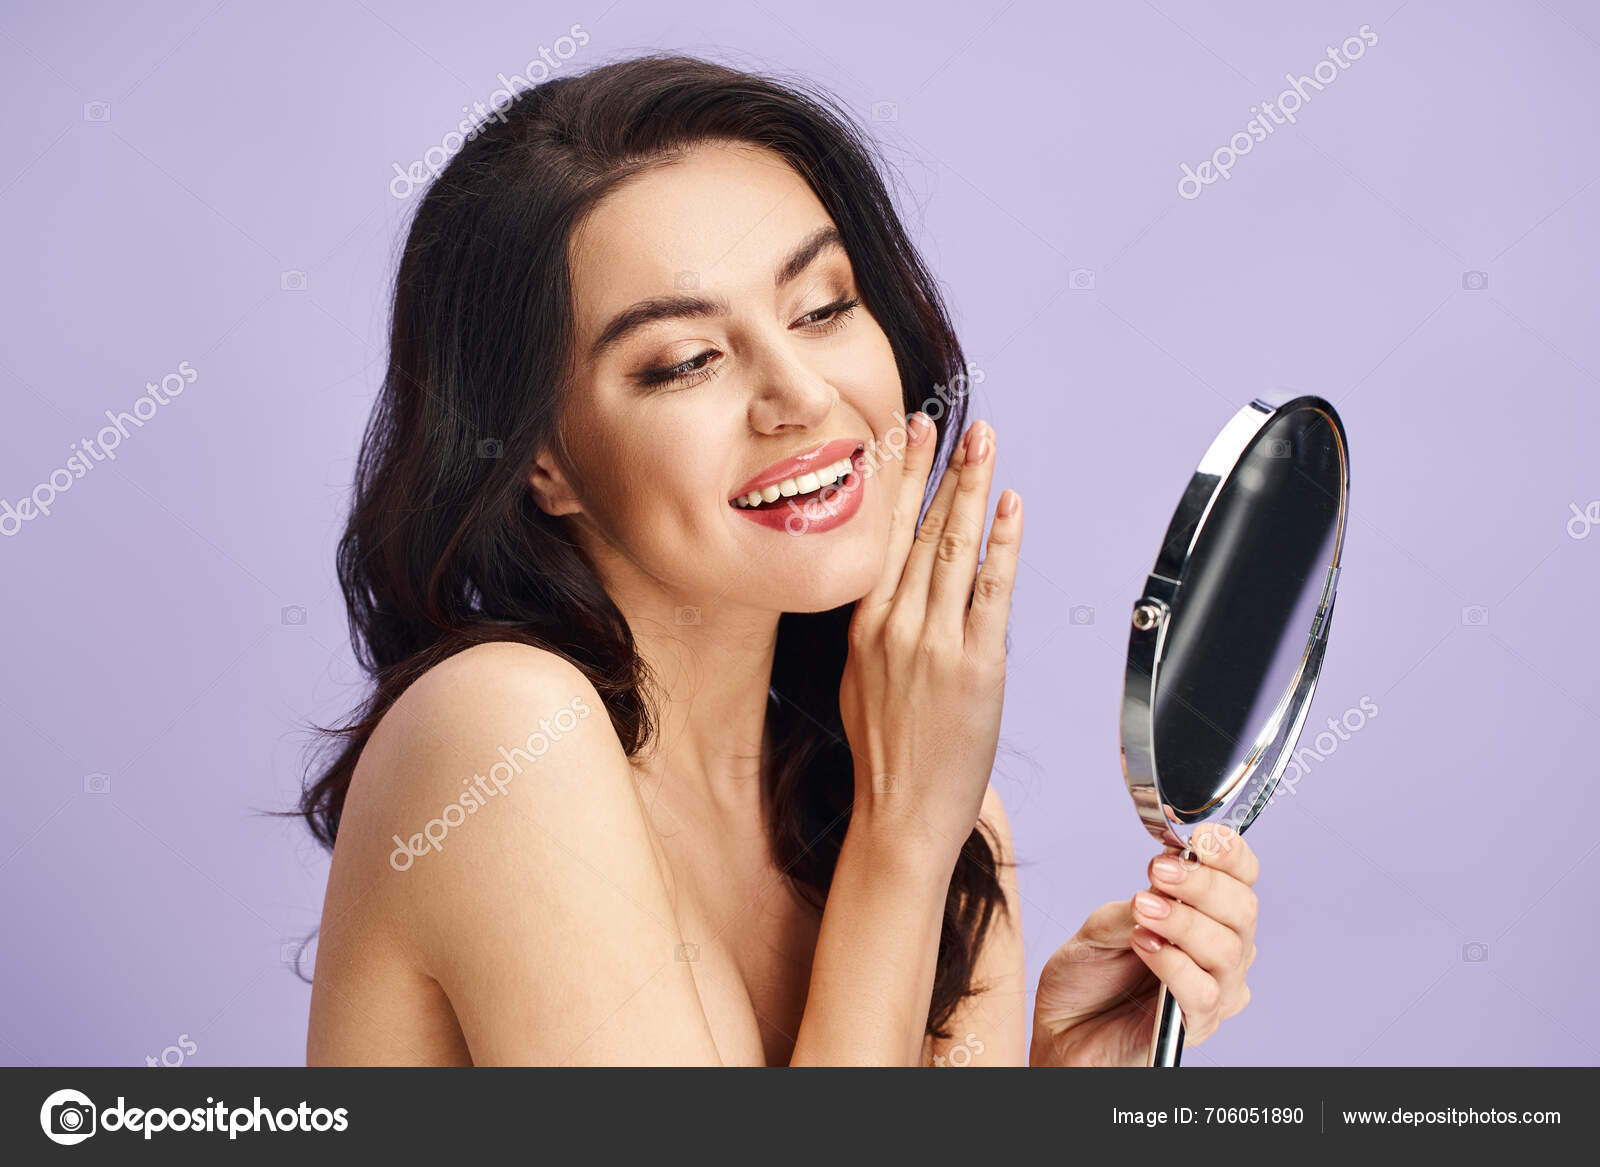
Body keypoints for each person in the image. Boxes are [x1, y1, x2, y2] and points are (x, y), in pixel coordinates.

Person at [302, 54, 1258, 1066]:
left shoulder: (920, 794)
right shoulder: (500, 733)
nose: (799, 395)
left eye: (822, 307)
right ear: (541, 463)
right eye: (684, 362)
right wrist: (900, 849)